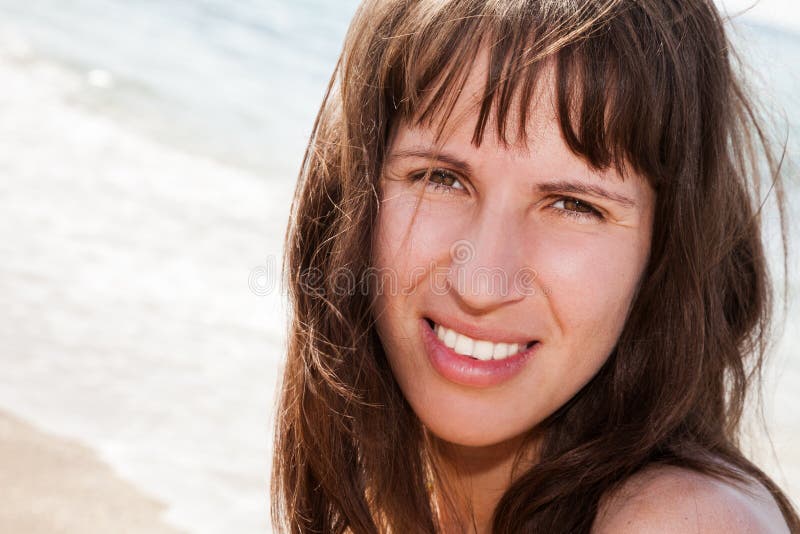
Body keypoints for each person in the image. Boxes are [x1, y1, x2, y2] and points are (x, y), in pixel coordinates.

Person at [271, 0, 800, 532]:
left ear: (664, 249)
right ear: (353, 188)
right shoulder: (399, 506)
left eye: (574, 205)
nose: (479, 283)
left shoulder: (684, 520)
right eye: (441, 178)